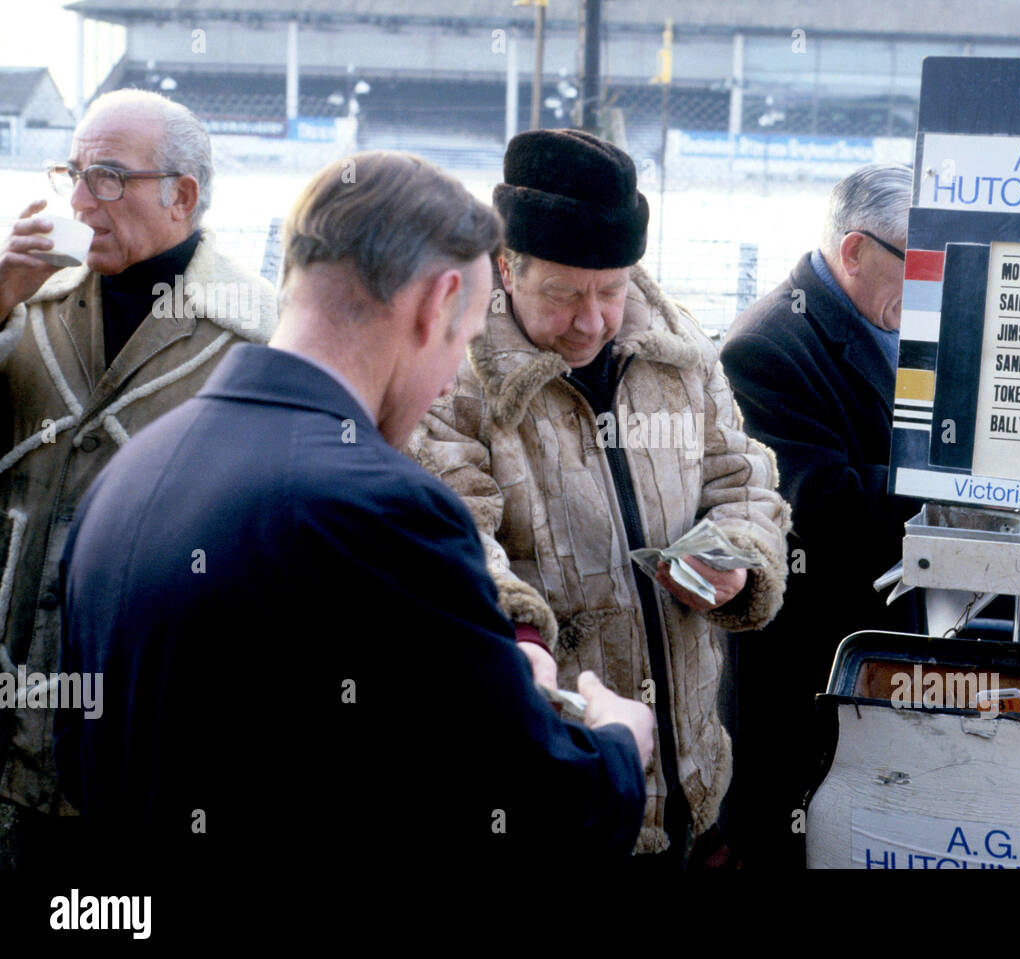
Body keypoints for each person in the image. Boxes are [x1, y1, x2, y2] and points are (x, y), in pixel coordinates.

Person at [55, 151, 653, 868]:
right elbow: (531, 807)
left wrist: (484, 682)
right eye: (458, 343)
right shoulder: (386, 508)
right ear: (438, 302)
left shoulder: (129, 472)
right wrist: (622, 742)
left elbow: (80, 758)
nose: (439, 393)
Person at [408, 129, 789, 865]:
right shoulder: (451, 376)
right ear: (505, 268)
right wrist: (523, 632)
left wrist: (739, 560)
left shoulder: (676, 344)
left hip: (693, 782)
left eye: (611, 290)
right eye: (563, 294)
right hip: (553, 787)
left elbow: (743, 478)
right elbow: (454, 540)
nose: (591, 321)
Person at [0, 89, 276, 865]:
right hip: (15, 745)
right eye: (74, 174)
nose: (82, 202)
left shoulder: (259, 336)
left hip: (166, 753)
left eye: (110, 178)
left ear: (182, 195)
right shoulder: (30, 306)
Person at [718, 162, 923, 868]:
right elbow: (819, 505)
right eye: (918, 267)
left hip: (864, 649)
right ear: (856, 252)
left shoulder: (879, 316)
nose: (933, 288)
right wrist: (946, 482)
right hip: (803, 671)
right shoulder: (764, 347)